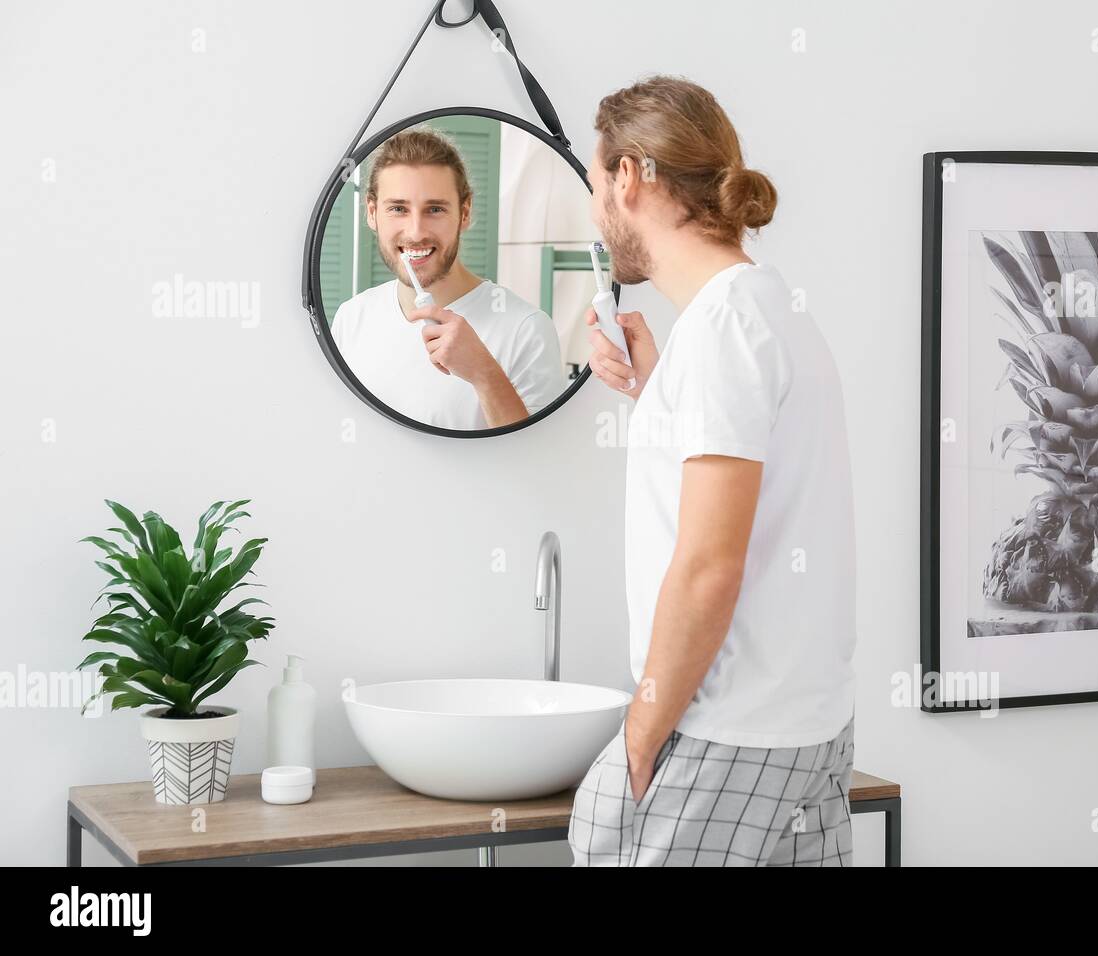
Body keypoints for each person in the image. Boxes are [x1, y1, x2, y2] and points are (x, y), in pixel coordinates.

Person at [567, 76, 859, 866]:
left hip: (722, 732)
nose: (597, 211)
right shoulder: (769, 310)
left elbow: (709, 565)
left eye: (597, 183)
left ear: (630, 177)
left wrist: (643, 726)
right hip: (808, 728)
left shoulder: (724, 330)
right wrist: (660, 390)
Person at [331, 127, 567, 430]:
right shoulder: (351, 317)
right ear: (372, 213)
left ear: (464, 212)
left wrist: (483, 372)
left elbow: (541, 462)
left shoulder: (527, 329)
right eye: (399, 209)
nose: (416, 232)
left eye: (435, 209)